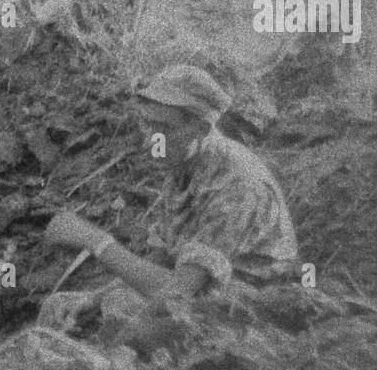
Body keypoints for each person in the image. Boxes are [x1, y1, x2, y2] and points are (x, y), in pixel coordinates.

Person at [39, 63, 298, 334]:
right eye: (148, 125)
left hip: (253, 314)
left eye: (163, 128)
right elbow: (160, 260)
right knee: (61, 306)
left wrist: (96, 242)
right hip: (204, 295)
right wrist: (92, 298)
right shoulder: (184, 166)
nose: (152, 140)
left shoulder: (238, 185)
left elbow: (177, 292)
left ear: (200, 127)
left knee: (122, 306)